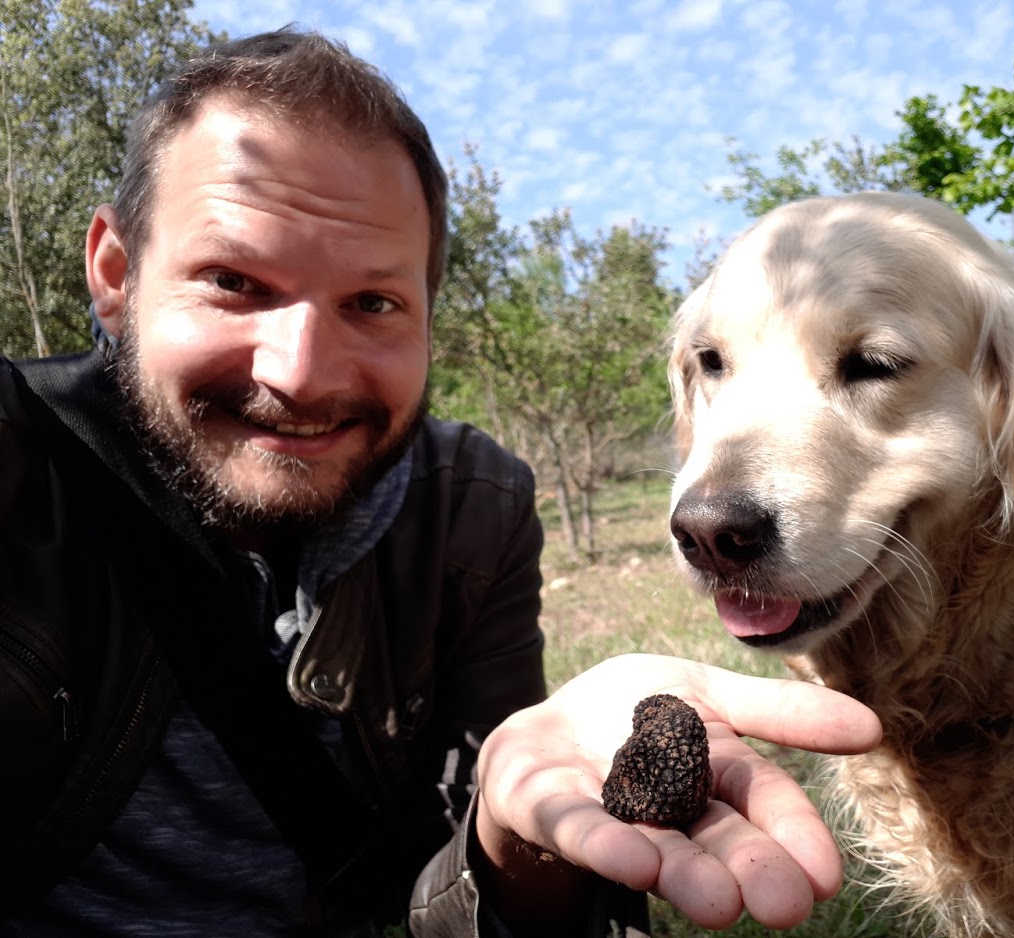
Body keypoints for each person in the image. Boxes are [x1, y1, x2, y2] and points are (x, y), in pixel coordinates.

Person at [0, 27, 881, 937]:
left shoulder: (471, 508)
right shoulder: (19, 467)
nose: (301, 373)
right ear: (115, 272)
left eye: (373, 303)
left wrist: (513, 829)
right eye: (233, 280)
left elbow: (452, 901)